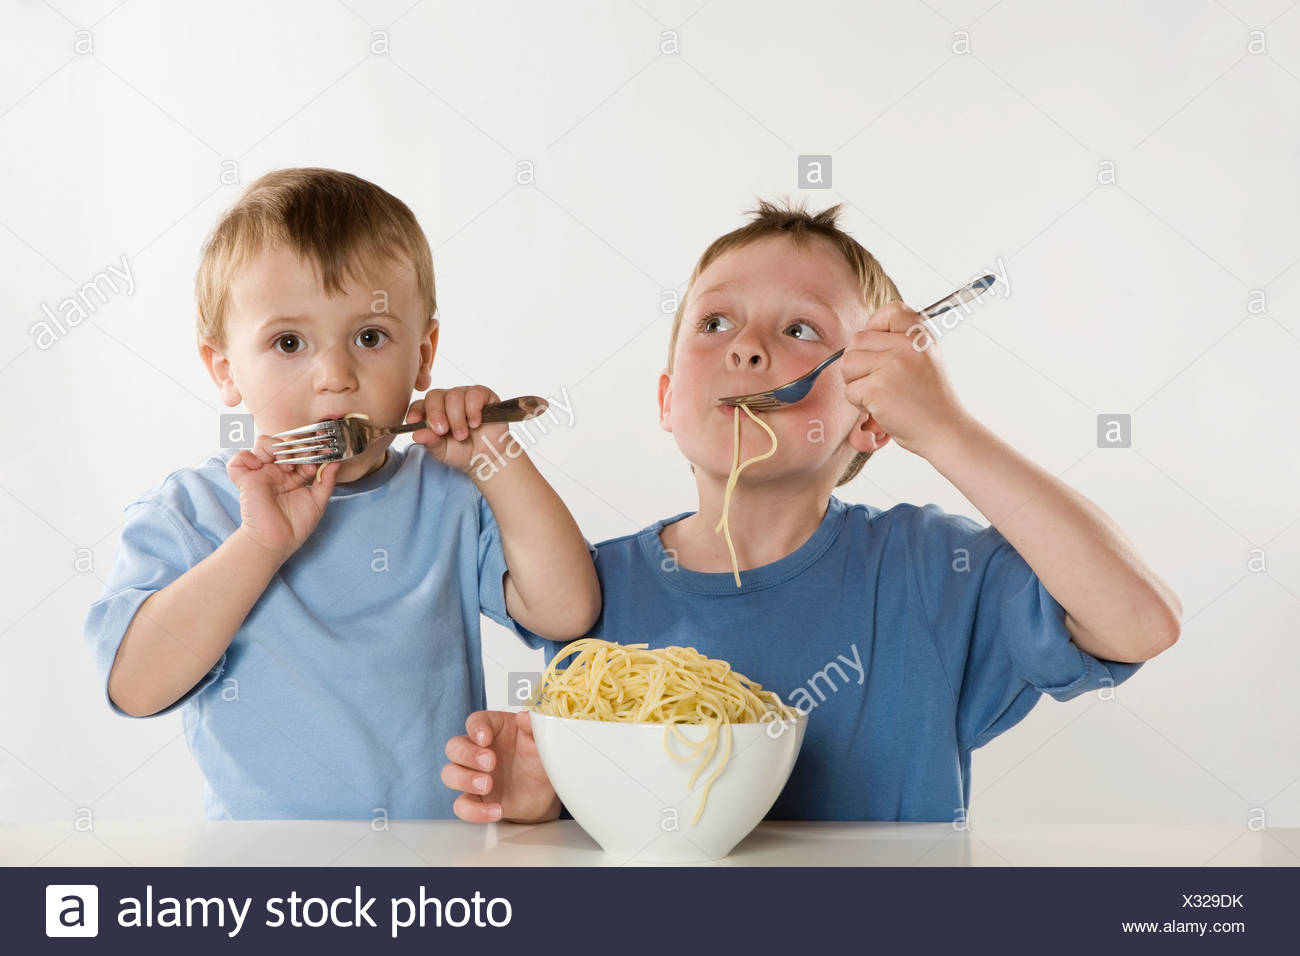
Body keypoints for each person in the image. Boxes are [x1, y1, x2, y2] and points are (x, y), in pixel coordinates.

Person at [441, 200, 1181, 824]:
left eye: (801, 331)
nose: (749, 350)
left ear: (872, 418)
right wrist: (556, 794)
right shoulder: (588, 588)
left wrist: (948, 430)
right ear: (667, 401)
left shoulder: (929, 573)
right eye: (715, 323)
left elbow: (1140, 622)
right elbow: (638, 819)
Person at [84, 168, 599, 819]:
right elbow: (135, 686)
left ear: (424, 353)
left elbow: (569, 611)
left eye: (369, 337)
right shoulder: (193, 512)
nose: (335, 375)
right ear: (224, 368)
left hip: (434, 876)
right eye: (289, 342)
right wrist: (259, 544)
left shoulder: (448, 495)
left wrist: (498, 460)